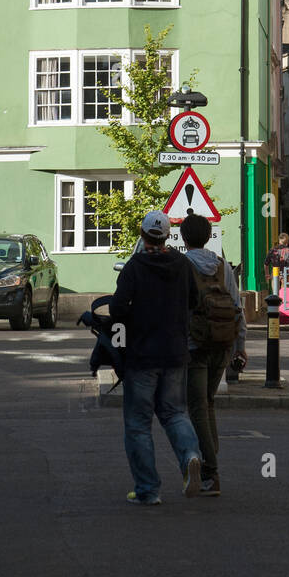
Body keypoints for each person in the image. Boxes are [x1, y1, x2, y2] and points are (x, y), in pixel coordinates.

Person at [109, 211, 203, 506]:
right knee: (175, 413)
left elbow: (117, 310)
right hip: (176, 352)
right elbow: (195, 301)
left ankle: (148, 489)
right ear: (166, 235)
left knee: (138, 423)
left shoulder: (135, 267)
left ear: (143, 234)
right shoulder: (182, 264)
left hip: (142, 356)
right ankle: (190, 457)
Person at [181, 214, 247, 496]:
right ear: (208, 237)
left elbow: (177, 309)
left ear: (183, 237)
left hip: (194, 345)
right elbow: (237, 305)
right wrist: (240, 345)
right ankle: (209, 462)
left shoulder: (183, 266)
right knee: (207, 404)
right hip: (222, 343)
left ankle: (210, 470)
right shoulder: (222, 266)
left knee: (196, 407)